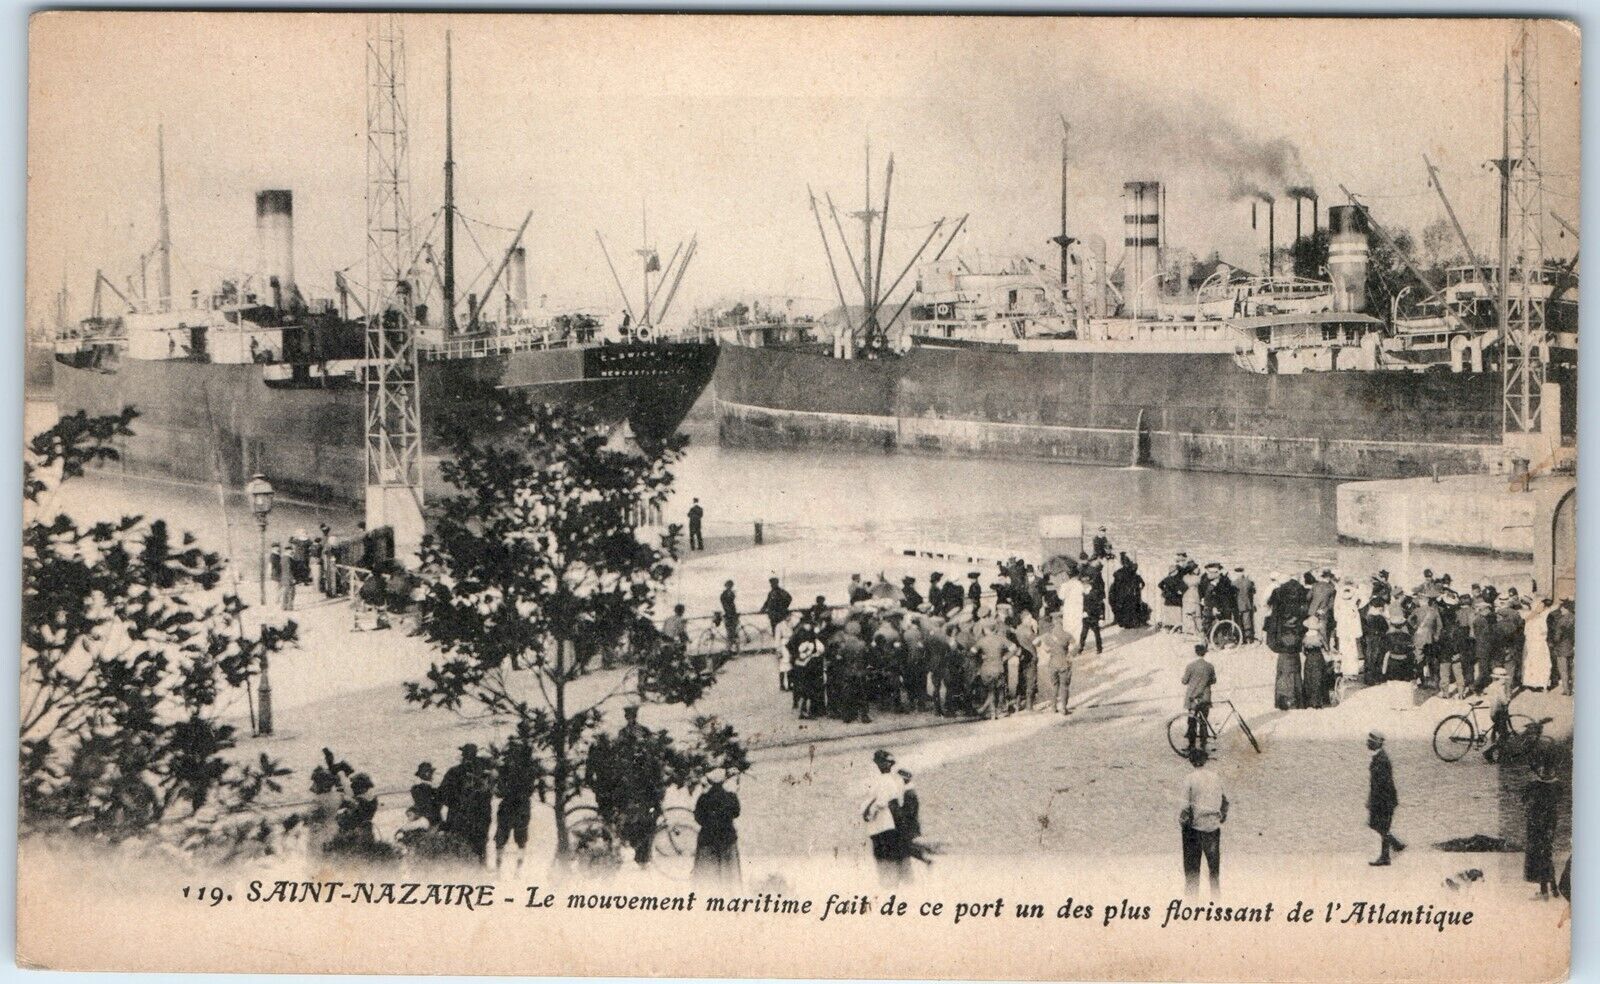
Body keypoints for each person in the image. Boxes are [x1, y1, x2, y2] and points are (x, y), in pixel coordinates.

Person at [1179, 747, 1227, 898]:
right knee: (1214, 870)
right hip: (1213, 827)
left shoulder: (1190, 778)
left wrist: (1183, 824)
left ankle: (1192, 902)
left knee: (1192, 870)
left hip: (1195, 828)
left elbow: (1184, 807)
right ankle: (1216, 899)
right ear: (1205, 761)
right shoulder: (1216, 777)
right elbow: (1224, 802)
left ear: (1191, 761)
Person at [439, 743, 495, 862]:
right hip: (478, 817)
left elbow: (442, 795)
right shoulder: (485, 773)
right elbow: (490, 793)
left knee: (460, 849)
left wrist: (455, 803)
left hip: (461, 817)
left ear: (463, 755)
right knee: (478, 849)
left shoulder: (454, 772)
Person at [862, 749, 907, 885]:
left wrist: (868, 813)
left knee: (883, 858)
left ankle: (889, 886)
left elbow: (881, 802)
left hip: (882, 825)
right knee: (887, 858)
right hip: (883, 825)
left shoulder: (884, 781)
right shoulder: (889, 780)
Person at [1523, 756, 1563, 899]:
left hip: (1535, 824)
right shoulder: (1557, 786)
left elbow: (1524, 800)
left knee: (1538, 856)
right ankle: (1553, 888)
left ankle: (1545, 891)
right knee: (1546, 854)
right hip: (1550, 825)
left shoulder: (1534, 785)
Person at [693, 774, 743, 886]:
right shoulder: (731, 797)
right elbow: (736, 812)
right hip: (727, 837)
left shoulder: (703, 798)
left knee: (706, 875)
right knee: (729, 875)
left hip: (707, 838)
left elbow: (698, 818)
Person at [1366, 730, 1405, 866]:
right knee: (1376, 825)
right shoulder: (1379, 757)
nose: (1367, 743)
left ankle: (1386, 856)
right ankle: (1396, 845)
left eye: (1370, 741)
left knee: (1381, 828)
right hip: (1383, 799)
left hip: (1384, 800)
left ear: (1377, 743)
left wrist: (1374, 801)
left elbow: (1382, 785)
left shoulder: (1381, 760)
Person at [759, 577, 793, 687]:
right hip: (774, 617)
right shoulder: (772, 593)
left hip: (778, 616)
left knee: (779, 632)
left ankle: (779, 648)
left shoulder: (780, 592)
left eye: (773, 583)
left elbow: (789, 598)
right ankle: (778, 647)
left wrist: (783, 608)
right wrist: (763, 609)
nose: (772, 585)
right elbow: (766, 602)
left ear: (776, 583)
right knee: (777, 633)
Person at [1182, 644, 1216, 752]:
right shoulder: (1210, 666)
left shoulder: (1190, 666)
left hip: (1193, 699)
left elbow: (1184, 681)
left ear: (1195, 652)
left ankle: (1191, 746)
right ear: (1205, 653)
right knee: (1203, 721)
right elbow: (1214, 680)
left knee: (1192, 721)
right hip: (1205, 698)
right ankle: (1203, 745)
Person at [1110, 554, 1146, 629]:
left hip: (1123, 593)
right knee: (1129, 608)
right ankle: (1128, 623)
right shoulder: (1130, 572)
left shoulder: (1121, 572)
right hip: (1128, 593)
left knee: (1126, 608)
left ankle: (1125, 623)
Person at [1547, 598, 1574, 696]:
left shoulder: (1562, 621)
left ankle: (1566, 690)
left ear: (1567, 609)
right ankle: (1574, 688)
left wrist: (1553, 643)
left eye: (1562, 609)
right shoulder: (1574, 618)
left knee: (1563, 670)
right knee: (1571, 669)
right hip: (1571, 647)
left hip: (1562, 648)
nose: (1561, 610)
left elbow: (1557, 636)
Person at [1301, 616, 1329, 709]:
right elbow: (1326, 648)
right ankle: (1319, 701)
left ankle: (1308, 701)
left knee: (1309, 678)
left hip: (1309, 659)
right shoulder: (1319, 636)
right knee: (1319, 678)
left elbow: (1303, 650)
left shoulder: (1305, 636)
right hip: (1318, 658)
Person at [409, 762, 442, 829]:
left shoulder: (415, 787)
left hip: (422, 815)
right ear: (426, 773)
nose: (432, 775)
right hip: (431, 817)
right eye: (431, 772)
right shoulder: (426, 787)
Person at [1079, 573, 1105, 655]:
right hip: (1086, 617)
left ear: (1087, 584)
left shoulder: (1095, 592)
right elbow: (1083, 604)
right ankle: (1081, 648)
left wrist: (1101, 617)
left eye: (1084, 584)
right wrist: (1083, 612)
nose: (1082, 585)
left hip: (1094, 616)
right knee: (1083, 633)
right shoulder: (1083, 593)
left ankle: (1099, 648)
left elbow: (1101, 604)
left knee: (1096, 633)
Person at [1233, 567, 1257, 643]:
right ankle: (1248, 638)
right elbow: (1253, 590)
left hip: (1237, 605)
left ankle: (1240, 639)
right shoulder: (1248, 582)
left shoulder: (1234, 583)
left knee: (1238, 622)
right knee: (1247, 622)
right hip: (1246, 605)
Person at [720, 580, 740, 652]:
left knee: (734, 632)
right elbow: (724, 604)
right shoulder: (724, 594)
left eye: (730, 585)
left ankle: (734, 649)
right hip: (729, 615)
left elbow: (730, 604)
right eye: (728, 585)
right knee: (730, 632)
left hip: (732, 614)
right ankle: (729, 648)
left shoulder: (730, 593)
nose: (730, 587)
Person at [276, 541, 296, 611]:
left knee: (286, 592)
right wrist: (292, 578)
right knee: (291, 592)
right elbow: (288, 569)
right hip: (288, 577)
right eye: (291, 550)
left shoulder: (283, 558)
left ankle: (284, 606)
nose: (293, 551)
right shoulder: (288, 558)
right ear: (288, 550)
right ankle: (289, 607)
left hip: (284, 577)